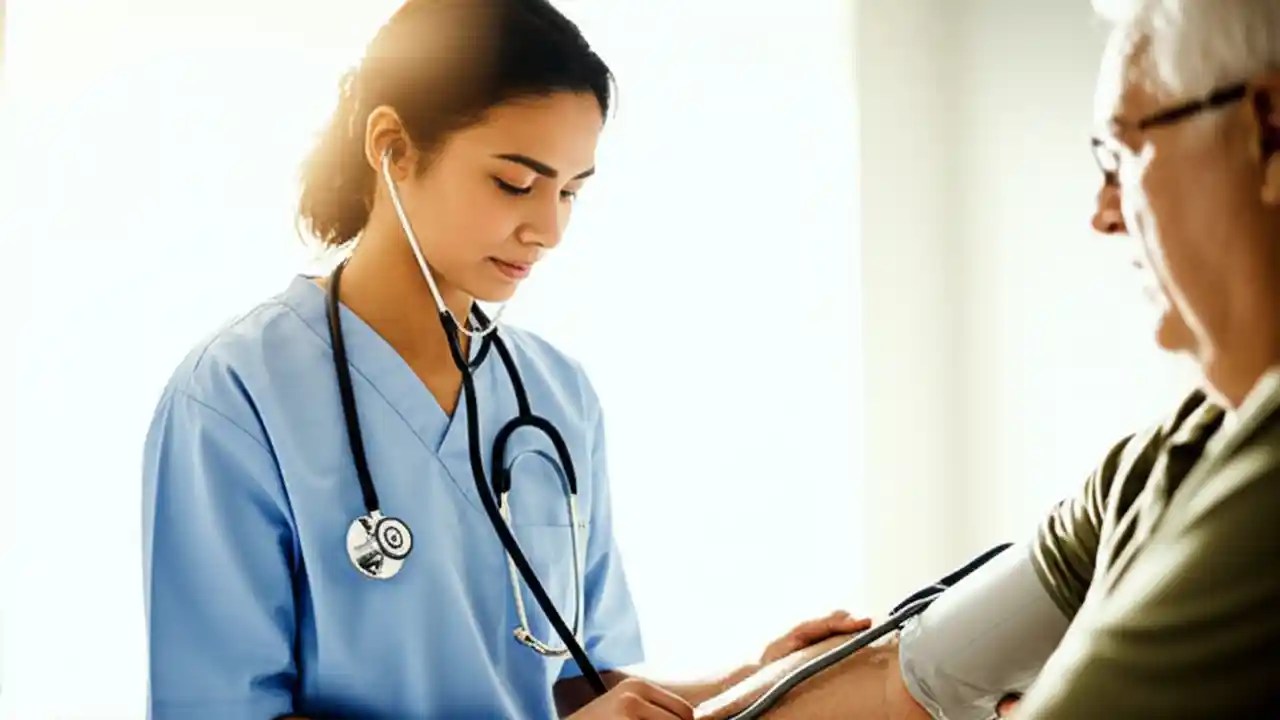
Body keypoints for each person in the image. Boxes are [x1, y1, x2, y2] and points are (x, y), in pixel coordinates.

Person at [139, 1, 864, 718]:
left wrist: (764, 678)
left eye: (570, 191)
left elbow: (571, 687)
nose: (547, 228)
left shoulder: (555, 396)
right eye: (514, 183)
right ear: (391, 146)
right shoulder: (234, 398)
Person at [695, 0, 1280, 718]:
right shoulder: (1168, 460)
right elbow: (904, 678)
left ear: (1268, 130)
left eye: (1122, 153)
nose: (1103, 211)